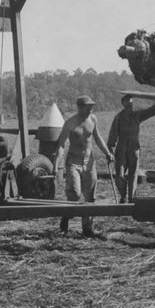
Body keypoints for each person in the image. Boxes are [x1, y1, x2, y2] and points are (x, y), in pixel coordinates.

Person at [53, 95, 114, 237]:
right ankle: (66, 216)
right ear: (80, 107)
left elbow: (97, 137)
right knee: (74, 193)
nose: (91, 109)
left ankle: (87, 228)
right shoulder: (70, 123)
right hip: (73, 162)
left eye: (92, 106)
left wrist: (107, 153)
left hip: (89, 162)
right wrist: (56, 165)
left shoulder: (93, 119)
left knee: (90, 196)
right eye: (88, 107)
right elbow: (61, 145)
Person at [107, 92, 155, 203]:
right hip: (121, 148)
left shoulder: (137, 115)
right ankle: (123, 196)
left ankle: (131, 199)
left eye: (131, 102)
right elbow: (113, 134)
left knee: (133, 175)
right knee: (119, 175)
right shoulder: (118, 117)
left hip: (134, 148)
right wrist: (110, 150)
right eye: (127, 101)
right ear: (123, 103)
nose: (130, 103)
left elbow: (151, 110)